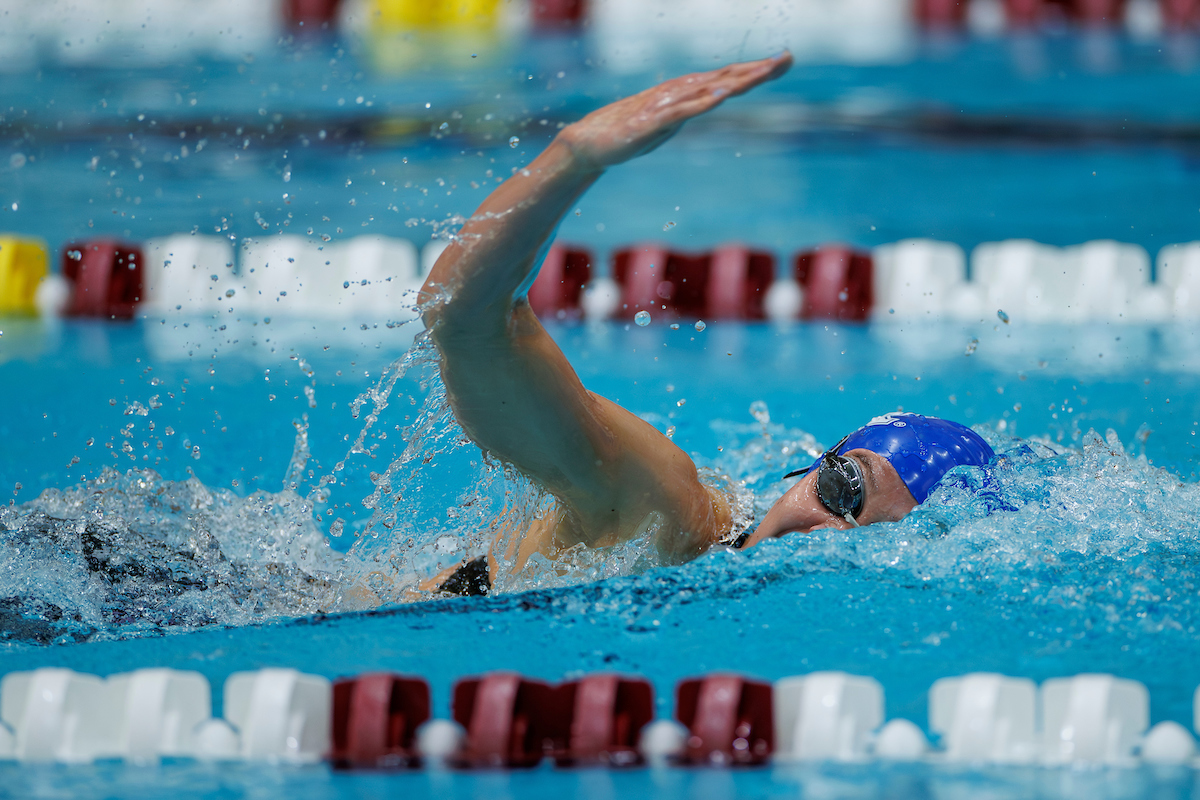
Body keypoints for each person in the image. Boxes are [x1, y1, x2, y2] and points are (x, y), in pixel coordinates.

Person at [417, 53, 994, 596]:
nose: (826, 535)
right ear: (816, 463)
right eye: (843, 488)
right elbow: (466, 320)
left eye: (882, 542)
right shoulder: (667, 515)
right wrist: (572, 159)